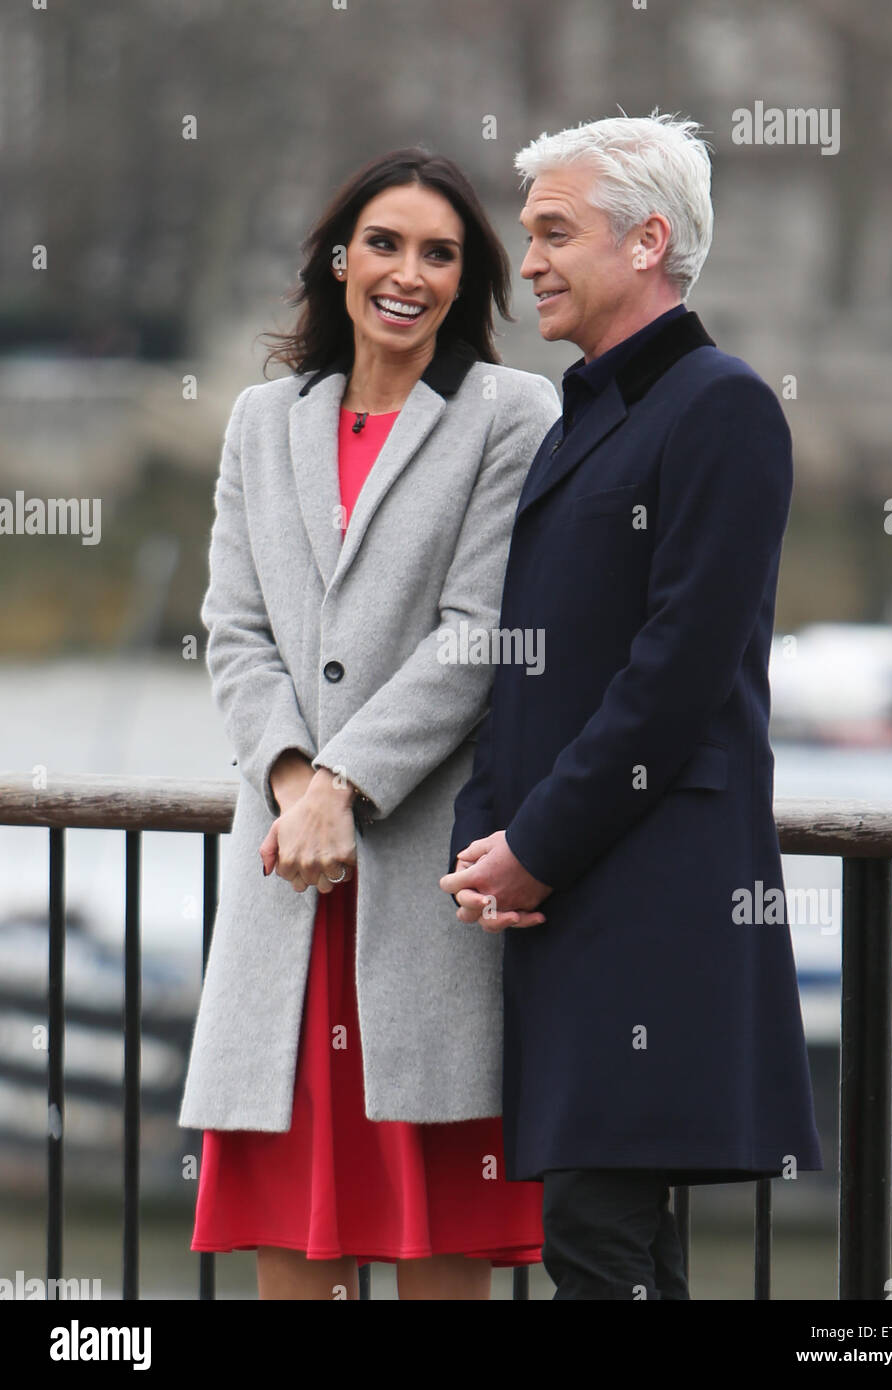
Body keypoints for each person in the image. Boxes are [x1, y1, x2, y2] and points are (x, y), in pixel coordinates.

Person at [441, 113, 824, 1300]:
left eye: (555, 231)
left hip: (653, 889)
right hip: (573, 893)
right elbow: (533, 662)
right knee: (616, 1243)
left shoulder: (720, 406)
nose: (532, 260)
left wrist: (535, 847)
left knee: (599, 1243)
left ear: (648, 239)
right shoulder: (586, 416)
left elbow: (678, 672)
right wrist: (483, 828)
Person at [177, 147, 560, 1300]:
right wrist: (296, 785)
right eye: (384, 244)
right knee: (294, 1258)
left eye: (440, 253)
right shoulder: (259, 420)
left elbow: (477, 635)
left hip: (421, 893)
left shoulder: (510, 412)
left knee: (439, 1242)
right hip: (286, 889)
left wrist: (342, 787)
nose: (408, 273)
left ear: (468, 281)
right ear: (339, 259)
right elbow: (234, 631)